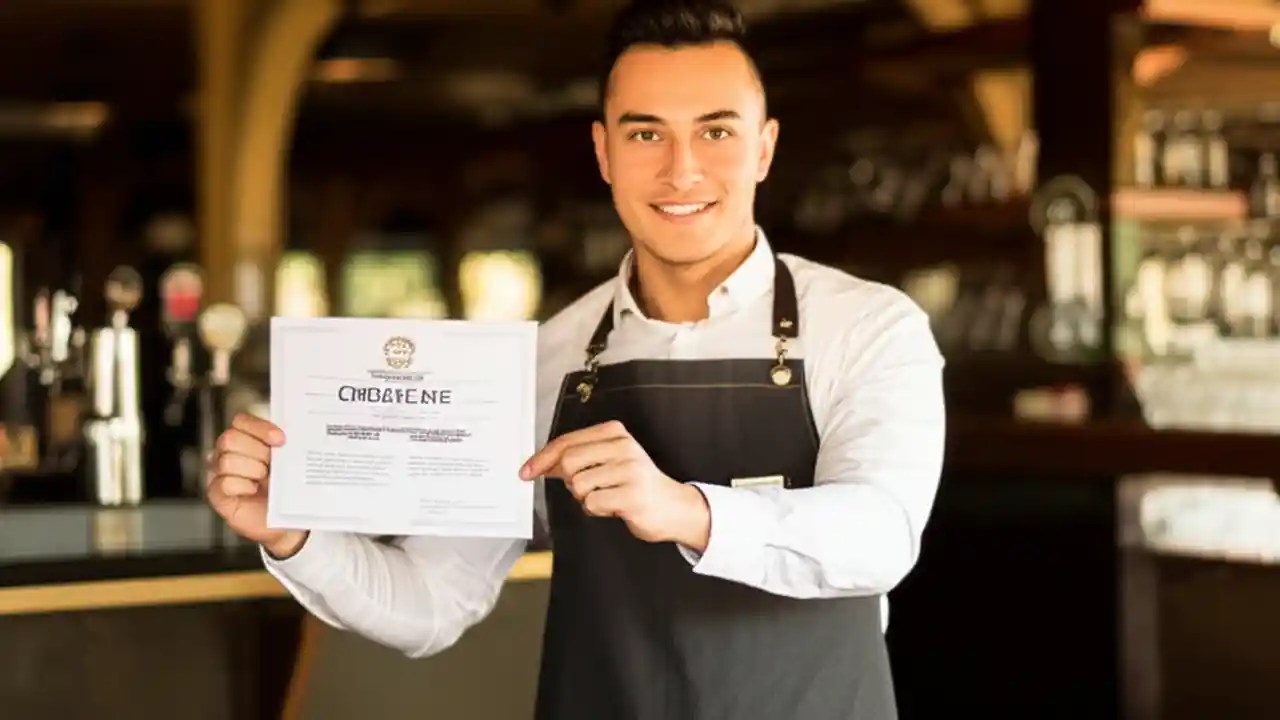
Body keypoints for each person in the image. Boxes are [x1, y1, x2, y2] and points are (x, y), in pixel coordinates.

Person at [206, 1, 946, 717]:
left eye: (715, 131)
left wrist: (684, 509)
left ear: (764, 147)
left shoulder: (869, 326)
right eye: (646, 134)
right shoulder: (546, 357)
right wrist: (295, 534)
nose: (682, 170)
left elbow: (880, 536)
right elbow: (431, 601)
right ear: (604, 153)